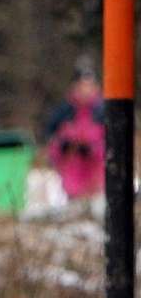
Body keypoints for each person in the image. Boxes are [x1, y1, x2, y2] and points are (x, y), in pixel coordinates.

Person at [44, 62, 105, 200]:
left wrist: (92, 149)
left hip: (96, 180)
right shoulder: (63, 112)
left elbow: (111, 148)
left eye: (89, 85)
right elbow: (52, 145)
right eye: (82, 85)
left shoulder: (103, 113)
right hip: (72, 181)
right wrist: (63, 147)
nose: (86, 90)